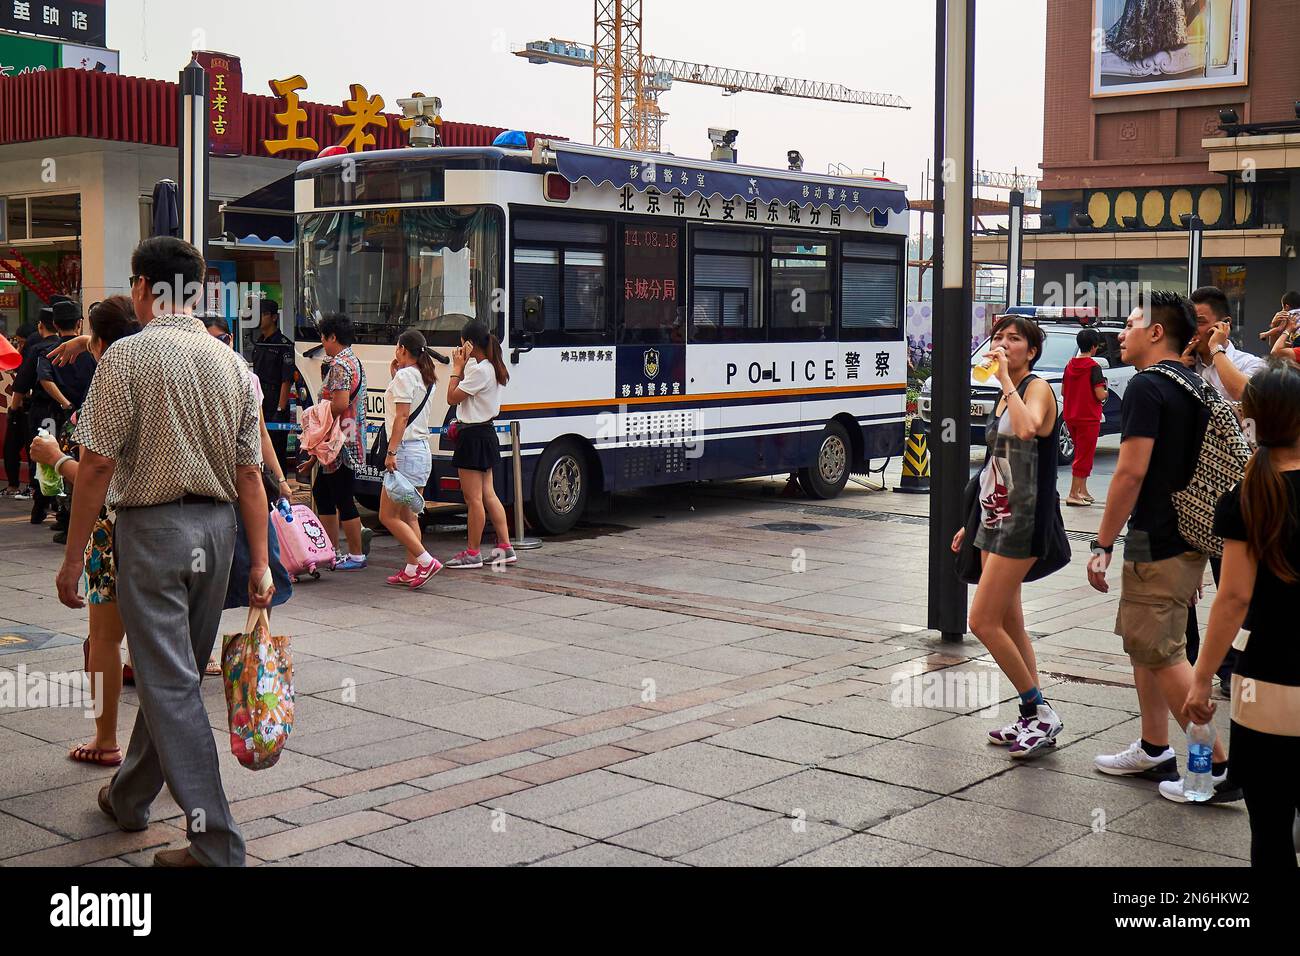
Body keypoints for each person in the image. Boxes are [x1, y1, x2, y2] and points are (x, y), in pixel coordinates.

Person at [56, 236, 269, 868]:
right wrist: (259, 562)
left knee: (172, 686)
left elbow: (95, 466)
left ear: (144, 288)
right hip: (220, 531)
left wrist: (72, 562)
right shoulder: (232, 364)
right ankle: (128, 799)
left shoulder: (128, 357)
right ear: (196, 292)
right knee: (171, 675)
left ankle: (215, 844)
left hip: (151, 532)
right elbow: (251, 473)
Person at [1086, 292, 1238, 803]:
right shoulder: (1194, 384)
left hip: (1159, 537)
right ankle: (1154, 747)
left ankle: (1215, 767)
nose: (1121, 333)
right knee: (1145, 644)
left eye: (1131, 324)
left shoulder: (1148, 388)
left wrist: (1102, 541)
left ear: (1156, 333)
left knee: (1165, 654)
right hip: (1187, 536)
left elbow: (1130, 471)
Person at [1184, 361, 1300, 865]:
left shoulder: (1247, 497)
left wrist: (1201, 678)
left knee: (1270, 826)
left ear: (1248, 421)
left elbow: (1232, 598)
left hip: (1264, 683)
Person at [28, 296, 139, 766]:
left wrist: (55, 458)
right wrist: (85, 339)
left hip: (115, 528)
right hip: (178, 529)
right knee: (161, 644)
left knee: (104, 640)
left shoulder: (110, 383)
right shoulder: (168, 364)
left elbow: (97, 474)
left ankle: (106, 738)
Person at [950, 314, 1065, 757]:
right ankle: (1030, 715)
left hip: (1025, 520)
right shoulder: (1005, 393)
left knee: (981, 621)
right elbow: (994, 463)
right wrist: (971, 522)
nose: (1003, 343)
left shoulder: (1034, 388)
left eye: (1014, 339)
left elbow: (1027, 428)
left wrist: (1005, 382)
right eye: (998, 337)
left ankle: (1041, 710)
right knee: (1011, 621)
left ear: (1031, 351)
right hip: (994, 517)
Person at [205, 315, 294, 674]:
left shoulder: (245, 377)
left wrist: (281, 479)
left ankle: (257, 645)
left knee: (264, 563)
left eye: (224, 337)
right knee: (210, 573)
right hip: (211, 489)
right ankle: (205, 649)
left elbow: (261, 434)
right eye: (211, 338)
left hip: (248, 487)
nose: (219, 344)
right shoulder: (194, 378)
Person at [1183, 286, 1261, 691]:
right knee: (1181, 587)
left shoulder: (1246, 363)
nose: (1191, 329)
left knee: (1233, 586)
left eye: (1198, 320)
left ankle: (1231, 668)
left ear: (1221, 324)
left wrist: (1216, 352)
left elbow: (1246, 396)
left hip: (1236, 494)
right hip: (1188, 494)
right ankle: (1191, 664)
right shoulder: (1181, 369)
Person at [444, 318, 515, 570]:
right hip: (485, 433)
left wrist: (456, 368)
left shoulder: (479, 371)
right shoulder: (490, 367)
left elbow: (452, 397)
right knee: (488, 494)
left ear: (469, 344)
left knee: (473, 498)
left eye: (462, 345)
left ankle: (473, 552)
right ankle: (505, 546)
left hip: (472, 436)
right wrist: (464, 366)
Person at [380, 329, 441, 587]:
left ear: (403, 349)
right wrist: (397, 374)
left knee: (387, 516)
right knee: (410, 516)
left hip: (404, 452)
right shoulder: (425, 377)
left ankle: (426, 562)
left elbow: (402, 417)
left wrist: (391, 451)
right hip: (421, 451)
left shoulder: (406, 376)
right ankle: (411, 568)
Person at [311, 313, 368, 571]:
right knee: (323, 492)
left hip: (340, 441)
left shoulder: (340, 365)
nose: (322, 343)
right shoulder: (353, 360)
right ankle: (331, 549)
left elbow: (340, 403)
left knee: (342, 496)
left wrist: (317, 419)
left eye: (323, 337)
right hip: (346, 437)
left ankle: (355, 554)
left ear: (333, 337)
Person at [11, 307, 58, 523]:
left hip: (43, 411)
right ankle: (61, 506)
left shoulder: (38, 350)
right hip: (70, 413)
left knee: (40, 456)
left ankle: (40, 505)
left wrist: (14, 407)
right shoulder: (80, 348)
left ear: (41, 326)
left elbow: (21, 383)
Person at [1186, 286, 1266, 404]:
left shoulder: (1250, 364)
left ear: (1225, 323)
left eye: (1200, 322)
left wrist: (1215, 347)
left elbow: (1244, 395)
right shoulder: (1185, 362)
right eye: (1190, 321)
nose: (1193, 328)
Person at [1062, 327, 1109, 507]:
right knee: (1084, 456)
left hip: (1071, 416)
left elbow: (1064, 391)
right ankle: (1073, 494)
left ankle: (1083, 490)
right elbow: (1099, 394)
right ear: (1094, 346)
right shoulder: (1094, 367)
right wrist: (1106, 392)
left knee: (1082, 453)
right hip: (1088, 417)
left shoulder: (1069, 365)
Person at [250, 299, 294, 471]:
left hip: (275, 403)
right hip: (259, 401)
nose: (258, 318)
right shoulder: (259, 342)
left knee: (276, 452)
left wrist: (280, 410)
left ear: (274, 317)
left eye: (262, 314)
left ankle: (279, 489)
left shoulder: (283, 345)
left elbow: (286, 380)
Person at [2, 322, 35, 499]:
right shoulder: (24, 355)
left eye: (22, 342)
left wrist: (13, 408)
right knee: (10, 448)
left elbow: (21, 385)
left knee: (31, 451)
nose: (19, 346)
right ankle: (14, 485)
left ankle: (31, 487)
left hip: (27, 409)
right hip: (21, 409)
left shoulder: (33, 355)